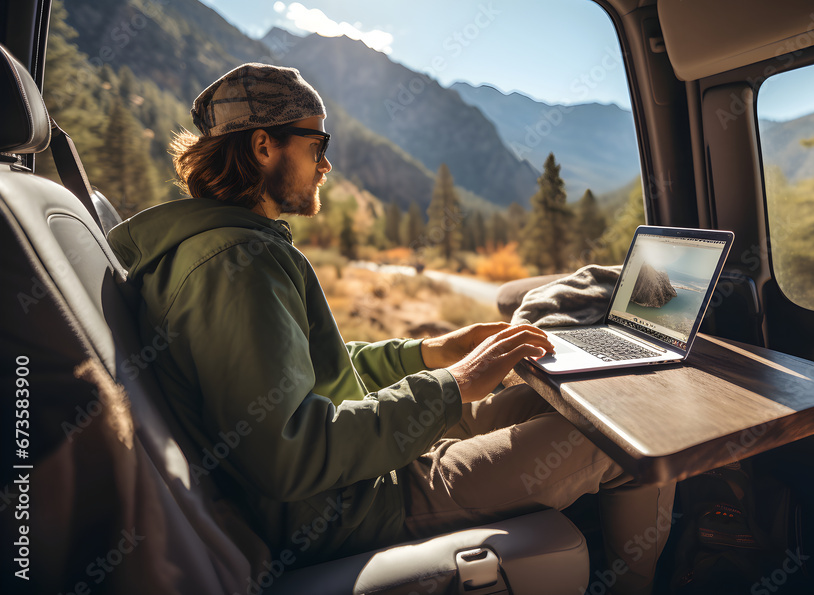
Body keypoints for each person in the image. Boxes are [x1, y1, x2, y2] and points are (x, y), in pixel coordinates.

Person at [107, 63, 673, 594]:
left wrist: (429, 352)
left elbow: (304, 370)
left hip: (363, 463)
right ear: (262, 146)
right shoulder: (234, 263)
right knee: (624, 440)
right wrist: (454, 386)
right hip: (349, 507)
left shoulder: (225, 249)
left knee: (566, 407)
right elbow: (289, 456)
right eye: (316, 145)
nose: (326, 165)